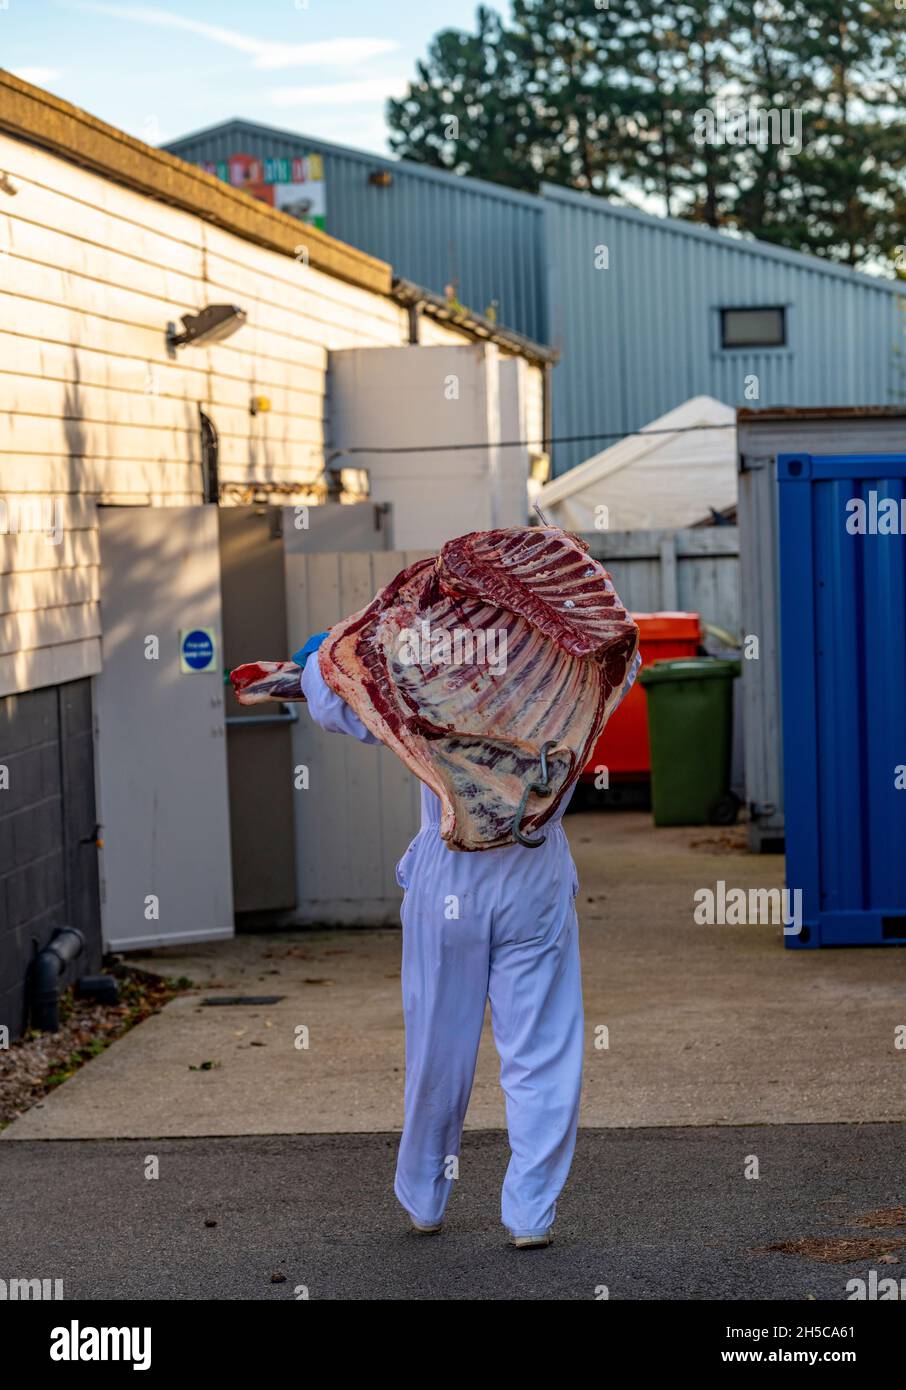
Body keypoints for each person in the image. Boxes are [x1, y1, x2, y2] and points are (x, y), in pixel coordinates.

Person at [295, 633, 641, 1249]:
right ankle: (530, 1214)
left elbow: (343, 705)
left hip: (449, 868)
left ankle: (425, 1199)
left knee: (437, 1045)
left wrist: (321, 661)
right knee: (541, 1050)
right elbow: (626, 658)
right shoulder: (571, 665)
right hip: (533, 866)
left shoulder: (428, 660)